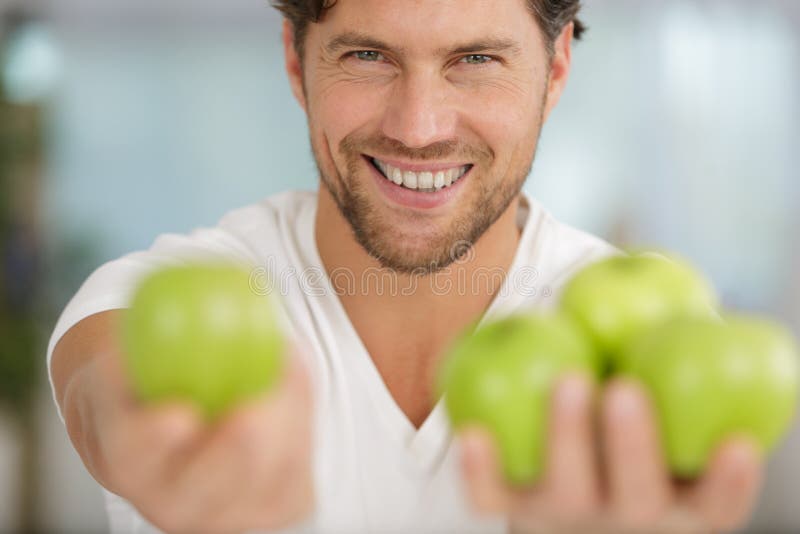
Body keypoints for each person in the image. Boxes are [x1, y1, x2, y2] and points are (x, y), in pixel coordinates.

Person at [48, 1, 764, 533]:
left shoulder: (647, 350)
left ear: (555, 72)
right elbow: (101, 392)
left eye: (476, 60)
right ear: (297, 64)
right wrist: (138, 436)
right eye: (367, 57)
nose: (418, 127)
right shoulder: (163, 294)